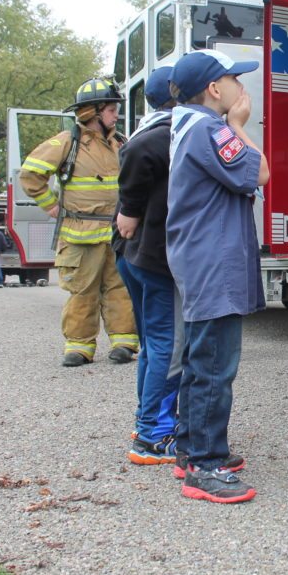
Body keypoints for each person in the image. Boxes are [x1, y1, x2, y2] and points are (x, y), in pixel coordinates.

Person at [166, 50, 269, 504]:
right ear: (213, 89)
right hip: (213, 259)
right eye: (232, 79)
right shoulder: (212, 128)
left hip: (198, 255)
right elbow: (260, 172)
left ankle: (190, 449)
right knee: (213, 364)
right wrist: (241, 124)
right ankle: (205, 466)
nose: (238, 87)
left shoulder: (186, 124)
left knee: (198, 355)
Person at [19, 79, 137, 367]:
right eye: (111, 109)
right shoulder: (66, 142)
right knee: (82, 291)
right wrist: (51, 206)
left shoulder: (120, 143)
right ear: (93, 112)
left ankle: (123, 342)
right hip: (79, 236)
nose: (116, 115)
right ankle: (79, 346)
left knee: (120, 288)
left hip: (116, 233)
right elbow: (30, 175)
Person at [113, 66, 184, 466]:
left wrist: (129, 210)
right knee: (167, 346)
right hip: (154, 257)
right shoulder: (166, 133)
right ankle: (154, 436)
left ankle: (146, 420)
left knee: (151, 345)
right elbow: (136, 157)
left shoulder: (146, 127)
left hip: (134, 254)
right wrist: (131, 208)